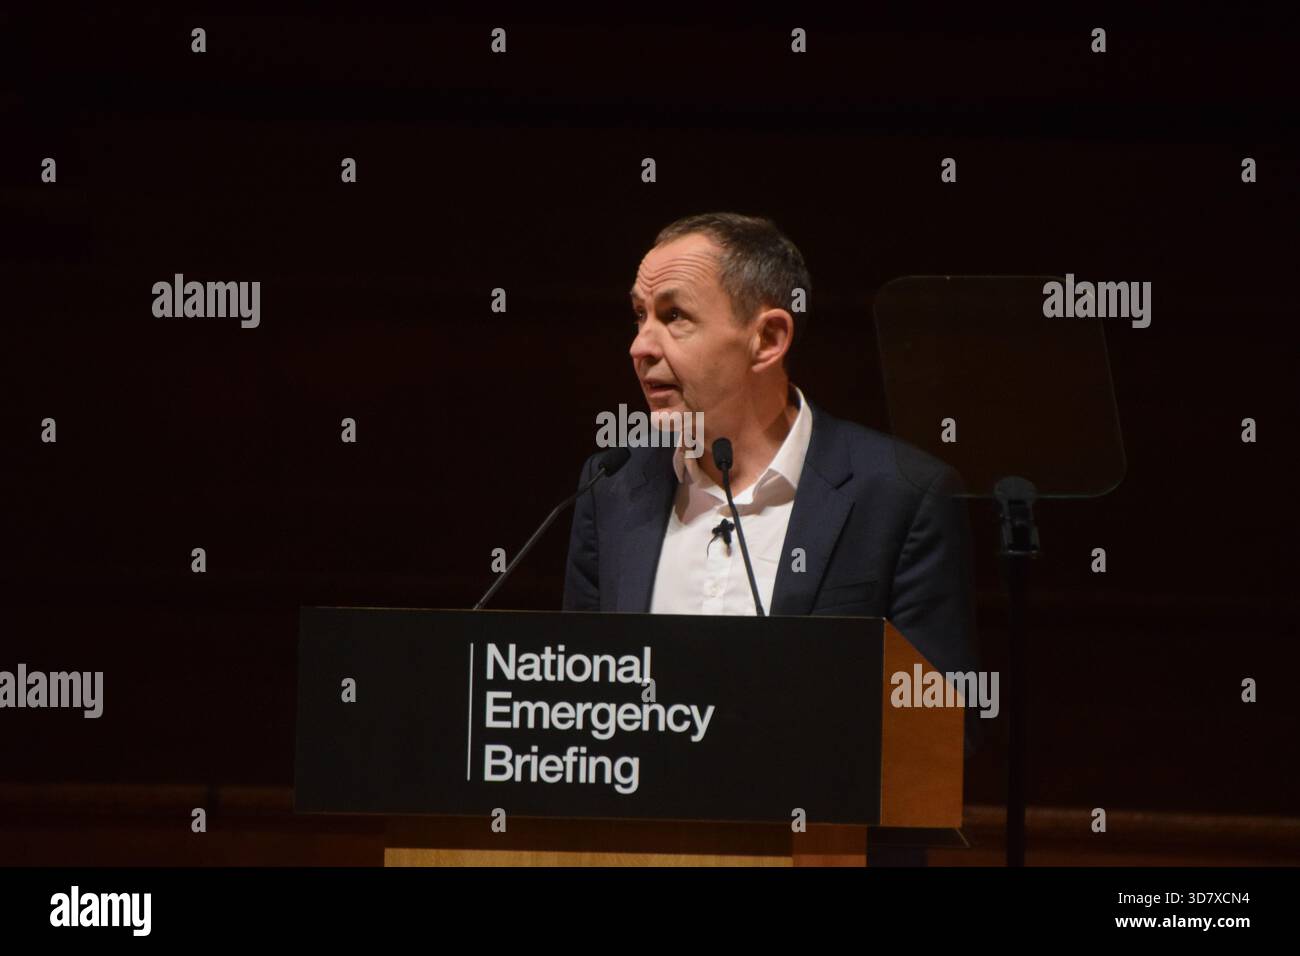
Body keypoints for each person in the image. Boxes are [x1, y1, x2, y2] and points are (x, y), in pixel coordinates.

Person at [562, 212, 983, 766]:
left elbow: (938, 733)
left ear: (768, 339)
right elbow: (571, 706)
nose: (640, 346)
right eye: (640, 317)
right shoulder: (611, 489)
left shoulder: (901, 495)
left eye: (674, 317)